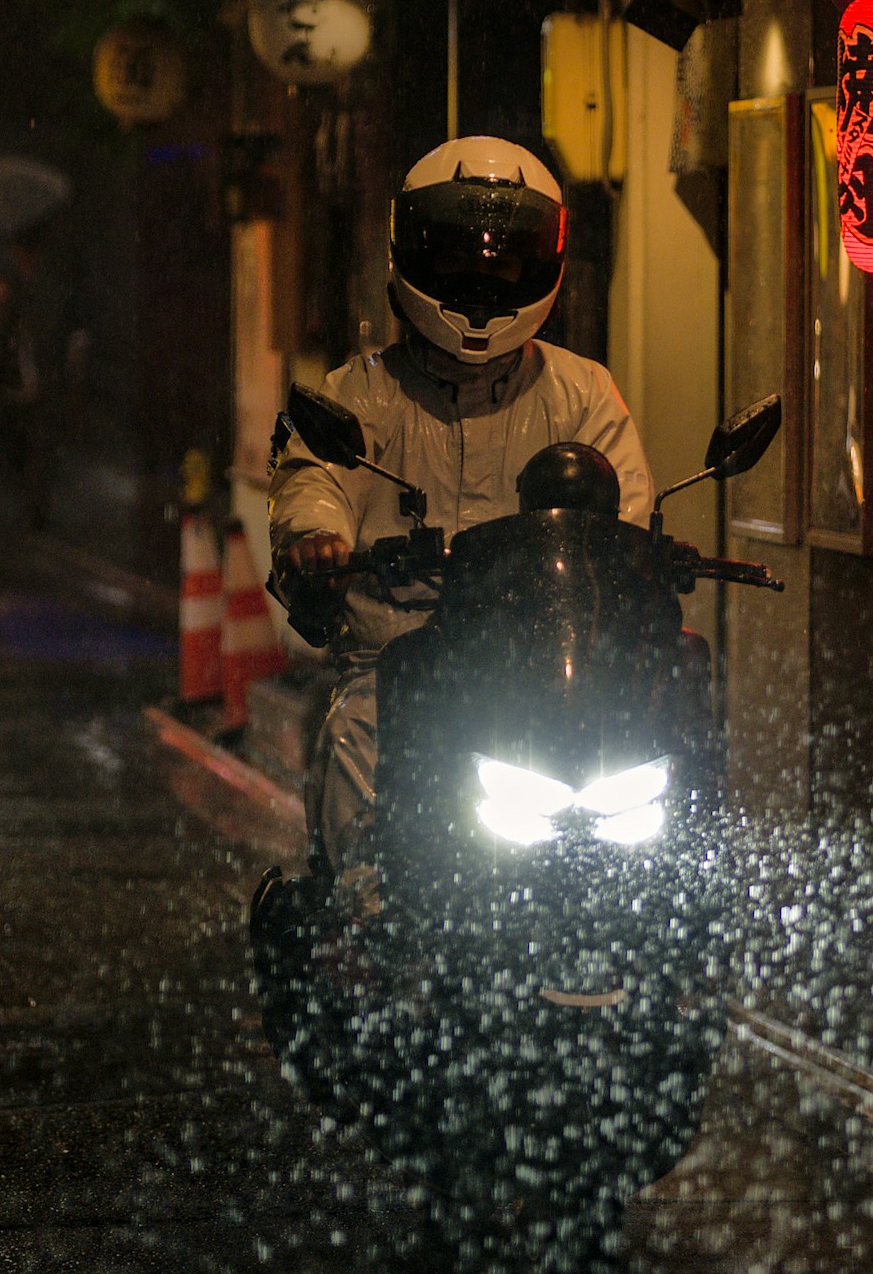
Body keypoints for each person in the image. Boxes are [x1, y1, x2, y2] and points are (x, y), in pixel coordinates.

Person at [269, 137, 655, 866]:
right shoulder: (357, 394)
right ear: (412, 254)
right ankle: (361, 919)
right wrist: (316, 535)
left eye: (503, 261)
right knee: (357, 746)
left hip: (545, 668)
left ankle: (664, 917)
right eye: (458, 257)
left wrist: (647, 557)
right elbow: (311, 479)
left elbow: (625, 508)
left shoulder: (585, 393)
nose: (482, 276)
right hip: (395, 664)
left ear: (539, 265)